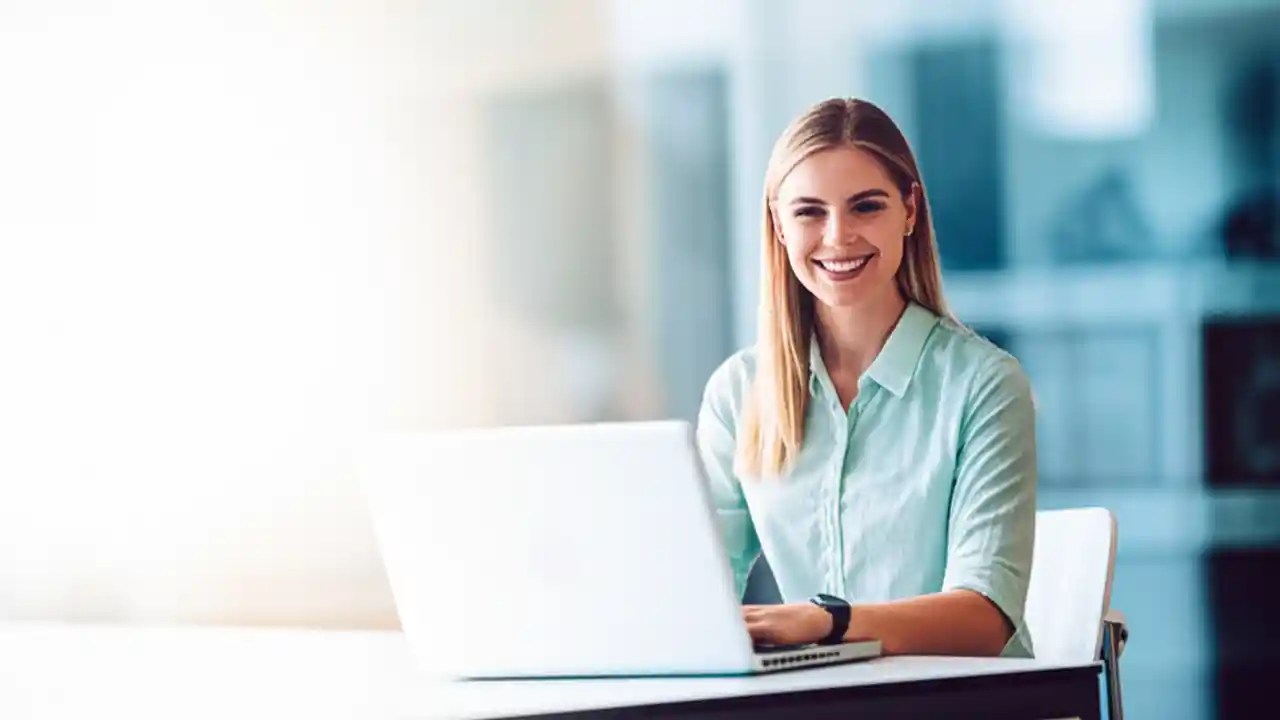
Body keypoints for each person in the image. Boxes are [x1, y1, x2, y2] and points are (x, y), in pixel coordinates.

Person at [696, 97, 1036, 657]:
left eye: (865, 207)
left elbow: (984, 618)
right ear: (778, 226)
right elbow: (697, 590)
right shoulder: (739, 392)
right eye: (809, 212)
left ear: (909, 211)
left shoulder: (985, 385)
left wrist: (824, 622)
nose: (837, 237)